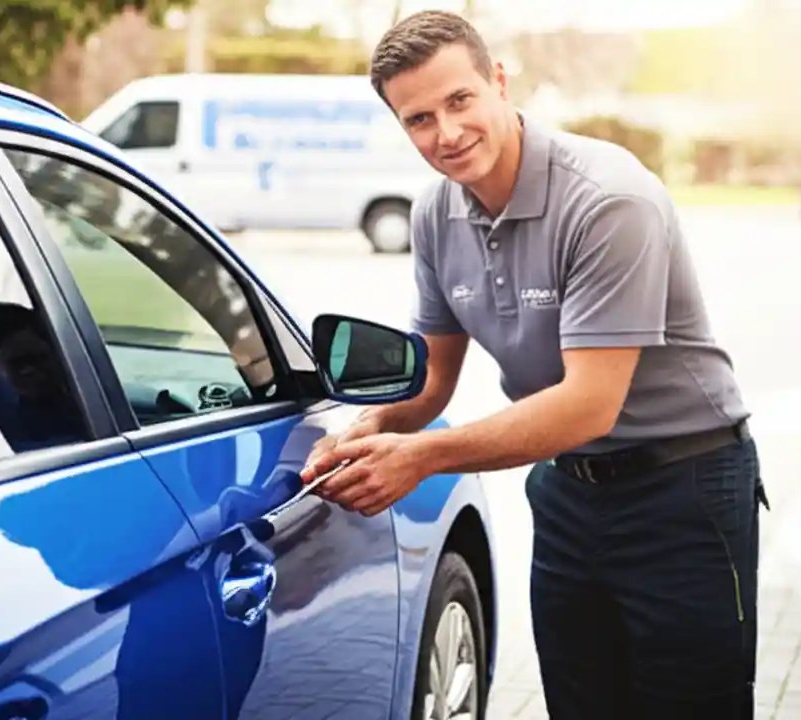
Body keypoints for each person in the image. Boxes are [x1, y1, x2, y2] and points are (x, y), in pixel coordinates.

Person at [300, 10, 767, 719]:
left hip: (684, 491)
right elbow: (430, 381)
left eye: (460, 102)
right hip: (568, 494)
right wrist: (368, 430)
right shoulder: (434, 214)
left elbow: (587, 405)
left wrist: (421, 458)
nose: (447, 134)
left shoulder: (607, 200)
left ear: (498, 81)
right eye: (419, 119)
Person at [0, 302, 83, 452]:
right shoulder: (0, 393)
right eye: (14, 363)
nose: (25, 370)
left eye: (36, 359)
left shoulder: (81, 388)